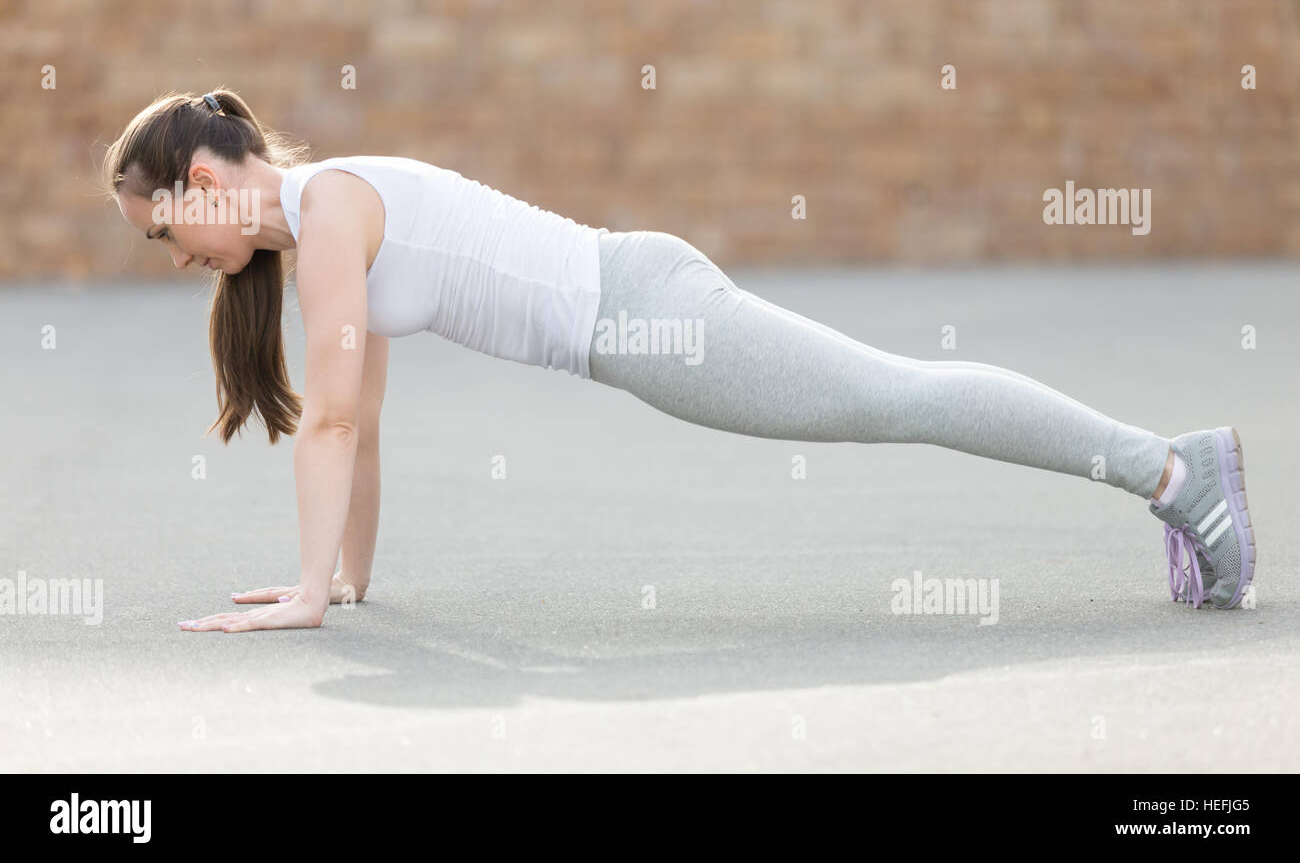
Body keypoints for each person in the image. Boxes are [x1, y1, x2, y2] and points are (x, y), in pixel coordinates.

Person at [101, 89, 1257, 631]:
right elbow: (365, 419)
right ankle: (1168, 473)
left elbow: (336, 423)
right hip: (640, 309)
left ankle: (1171, 473)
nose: (174, 257)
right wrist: (343, 580)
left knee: (894, 396)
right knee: (891, 394)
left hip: (649, 317)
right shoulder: (321, 223)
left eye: (162, 232)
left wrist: (304, 600)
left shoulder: (331, 212)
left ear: (203, 185)